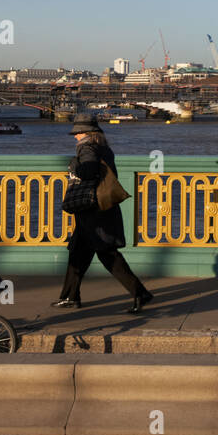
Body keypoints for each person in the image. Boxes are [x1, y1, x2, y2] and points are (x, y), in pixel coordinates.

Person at [53, 114, 153, 313]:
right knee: (77, 253)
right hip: (100, 207)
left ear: (87, 133)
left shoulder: (87, 147)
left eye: (78, 132)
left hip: (93, 211)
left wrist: (75, 166)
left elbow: (88, 171)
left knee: (108, 254)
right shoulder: (104, 148)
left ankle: (140, 294)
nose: (75, 136)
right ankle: (70, 296)